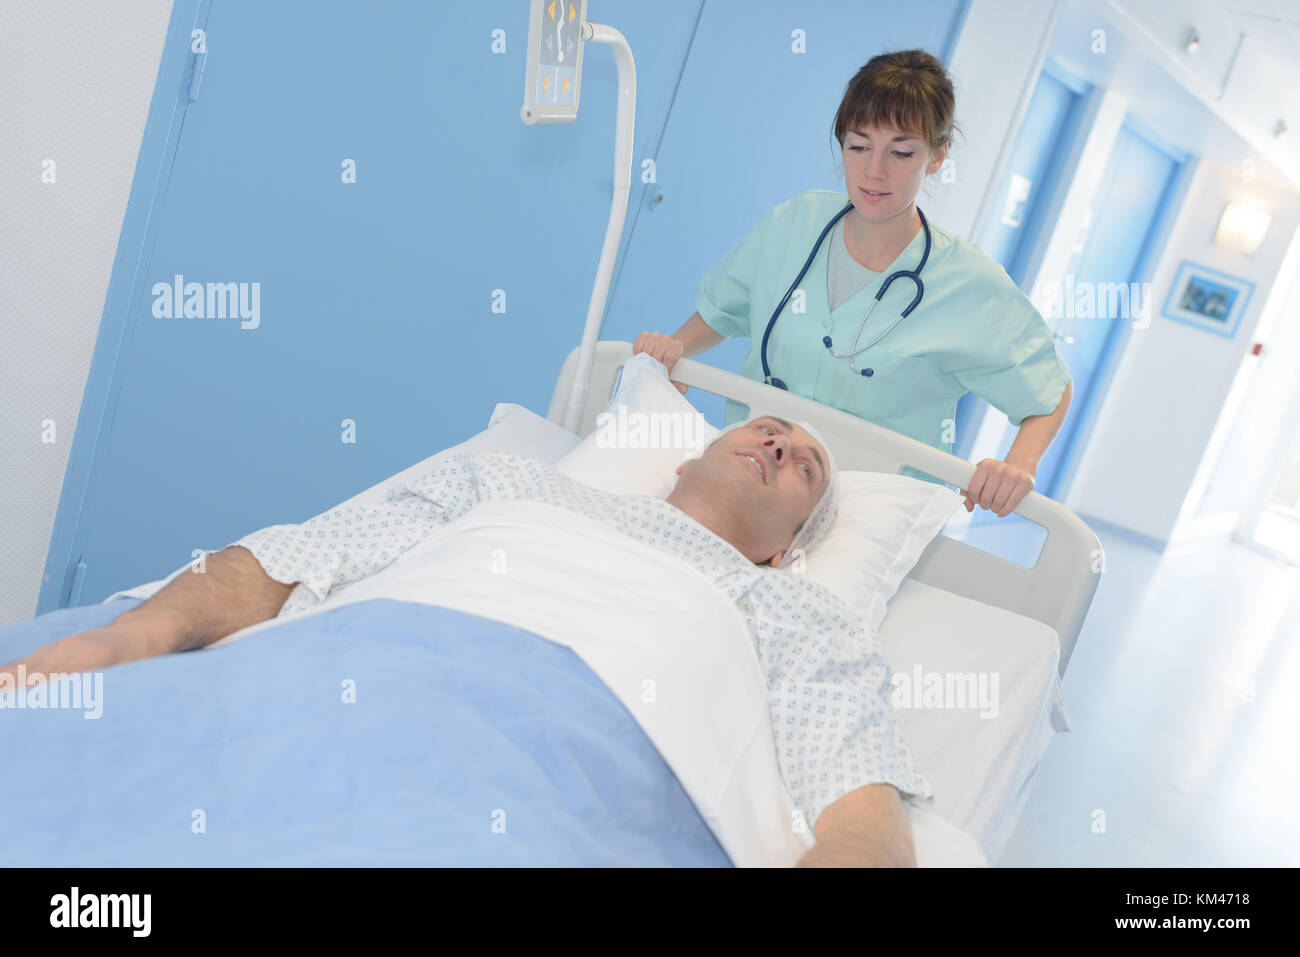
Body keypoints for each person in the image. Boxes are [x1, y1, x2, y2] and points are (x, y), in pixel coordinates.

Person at [2, 415, 931, 867]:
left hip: (550, 756)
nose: (778, 447)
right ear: (682, 458)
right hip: (333, 669)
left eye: (803, 464)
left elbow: (863, 827)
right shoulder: (513, 486)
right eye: (766, 430)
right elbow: (294, 558)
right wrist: (128, 636)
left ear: (787, 550)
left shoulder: (798, 618)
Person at [634, 49, 1074, 519]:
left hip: (868, 518)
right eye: (858, 145)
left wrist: (1019, 464)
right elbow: (723, 309)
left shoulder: (968, 285)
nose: (873, 171)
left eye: (902, 152)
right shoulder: (795, 224)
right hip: (754, 490)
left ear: (938, 155)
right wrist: (668, 355)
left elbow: (1049, 391)